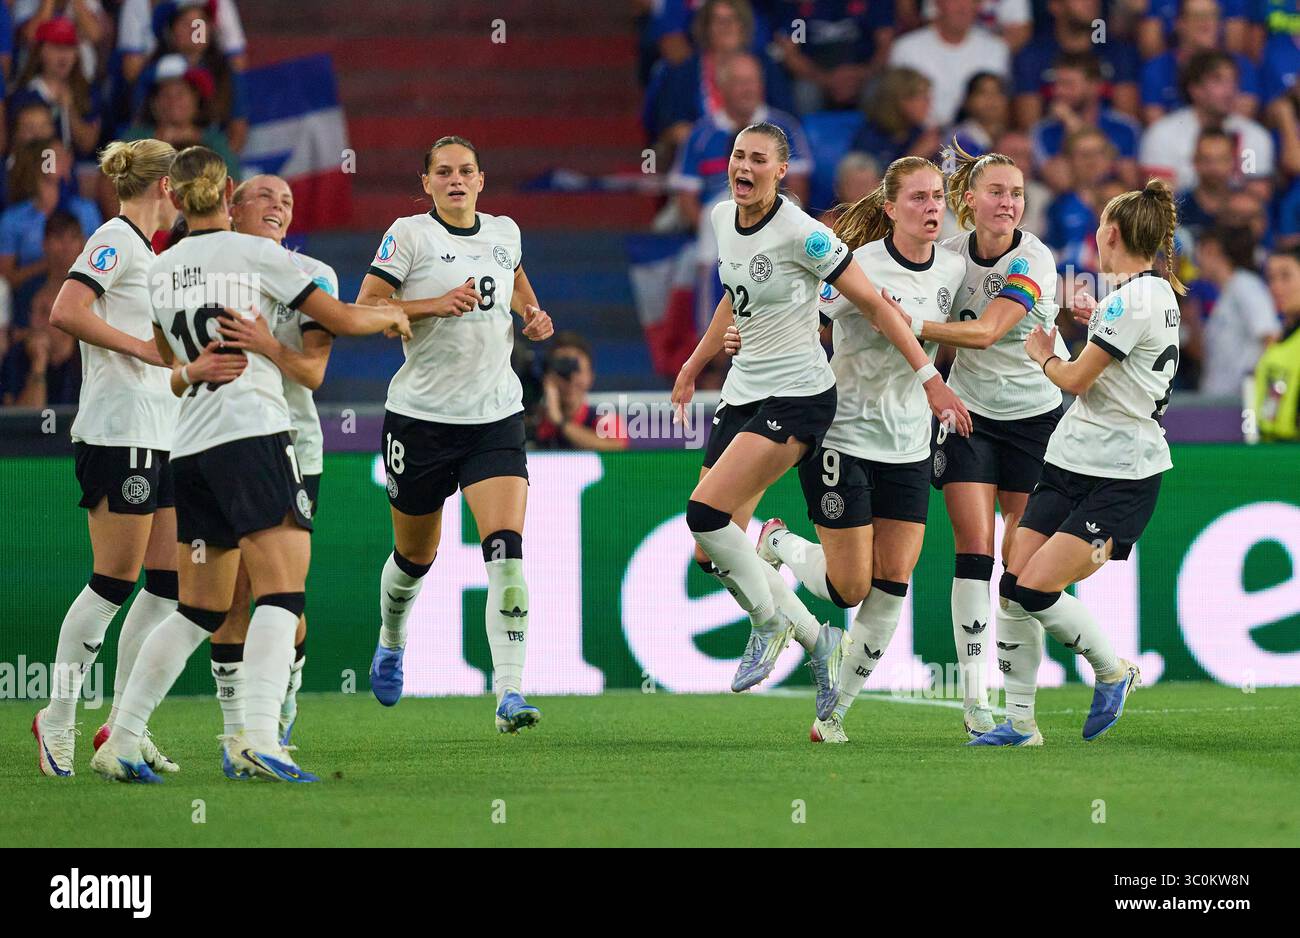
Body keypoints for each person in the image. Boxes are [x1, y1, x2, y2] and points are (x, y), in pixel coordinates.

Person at [89, 146, 409, 783]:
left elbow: (166, 361)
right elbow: (337, 318)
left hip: (190, 450)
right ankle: (260, 736)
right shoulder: (257, 255)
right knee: (283, 593)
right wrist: (396, 313)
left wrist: (191, 370)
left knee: (200, 610)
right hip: (254, 435)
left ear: (174, 201)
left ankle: (121, 737)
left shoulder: (159, 269)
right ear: (228, 192)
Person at [671, 122, 971, 712]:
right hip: (742, 392)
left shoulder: (804, 235)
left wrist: (931, 378)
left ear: (782, 172)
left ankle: (770, 620)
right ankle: (815, 637)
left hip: (801, 398)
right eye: (738, 156)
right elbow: (736, 292)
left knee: (705, 513)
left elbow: (874, 305)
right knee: (710, 551)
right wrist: (694, 363)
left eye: (759, 159)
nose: (744, 167)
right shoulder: (716, 220)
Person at [750, 156, 968, 743]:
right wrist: (741, 335)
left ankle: (833, 715)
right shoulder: (858, 267)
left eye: (937, 198)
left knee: (894, 576)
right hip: (843, 435)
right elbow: (800, 316)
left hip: (909, 442)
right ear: (891, 207)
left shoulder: (953, 270)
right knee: (849, 587)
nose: (931, 208)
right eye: (918, 198)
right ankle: (777, 541)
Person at [971, 179, 1185, 746]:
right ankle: (1020, 724)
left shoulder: (1127, 301)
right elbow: (1123, 352)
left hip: (1122, 474)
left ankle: (1114, 672)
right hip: (1072, 460)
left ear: (1109, 234)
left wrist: (1045, 355)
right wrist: (1096, 319)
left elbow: (1072, 379)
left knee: (1036, 587)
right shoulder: (1155, 293)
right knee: (1013, 583)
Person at [357, 135, 555, 734]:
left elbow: (513, 276)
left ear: (481, 178)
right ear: (426, 183)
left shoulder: (504, 231)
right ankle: (392, 640)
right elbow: (366, 306)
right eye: (443, 172)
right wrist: (429, 305)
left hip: (494, 418)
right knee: (416, 557)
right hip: (420, 420)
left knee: (506, 552)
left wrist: (532, 312)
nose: (455, 180)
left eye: (466, 170)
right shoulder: (409, 235)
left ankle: (511, 692)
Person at [31, 139, 180, 778]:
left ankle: (122, 726)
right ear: (166, 188)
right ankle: (56, 717)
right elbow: (67, 309)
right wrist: (140, 350)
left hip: (163, 432)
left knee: (171, 583)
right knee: (114, 580)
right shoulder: (115, 238)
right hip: (119, 432)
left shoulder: (151, 252)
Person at [917, 141, 1067, 736]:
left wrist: (905, 321)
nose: (1009, 203)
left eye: (1018, 194)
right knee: (974, 552)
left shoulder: (1035, 260)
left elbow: (983, 332)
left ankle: (1033, 696)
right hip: (971, 417)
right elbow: (936, 335)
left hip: (1035, 419)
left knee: (1022, 567)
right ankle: (976, 700)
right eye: (998, 192)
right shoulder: (948, 256)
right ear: (970, 199)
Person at [199, 174, 338, 771]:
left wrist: (263, 343)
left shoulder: (312, 275)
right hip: (218, 442)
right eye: (265, 198)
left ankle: (279, 708)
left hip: (291, 447)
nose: (279, 207)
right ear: (233, 206)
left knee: (280, 597)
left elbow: (312, 374)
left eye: (287, 200)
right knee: (229, 597)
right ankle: (238, 738)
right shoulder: (205, 270)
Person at [888, 0, 1010, 127]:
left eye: (971, 2)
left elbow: (999, 109)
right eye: (955, 1)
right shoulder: (906, 48)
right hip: (919, 137)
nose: (963, 8)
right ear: (937, 4)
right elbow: (896, 107)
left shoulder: (996, 49)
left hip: (978, 139)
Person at [1194, 226, 1280, 397]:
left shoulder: (1245, 285)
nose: (1196, 261)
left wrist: (1256, 391)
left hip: (1237, 405)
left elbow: (1270, 337)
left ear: (1211, 250)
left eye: (1199, 252)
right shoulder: (1228, 291)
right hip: (1218, 402)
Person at [533, 330, 628, 451]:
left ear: (590, 377)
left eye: (577, 370)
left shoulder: (604, 419)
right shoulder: (535, 419)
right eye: (563, 370)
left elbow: (617, 450)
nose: (571, 379)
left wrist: (559, 421)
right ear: (547, 376)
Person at [1255, 246, 1300, 441]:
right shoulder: (1280, 339)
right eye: (1271, 278)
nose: (1276, 287)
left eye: (1285, 277)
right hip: (1273, 453)